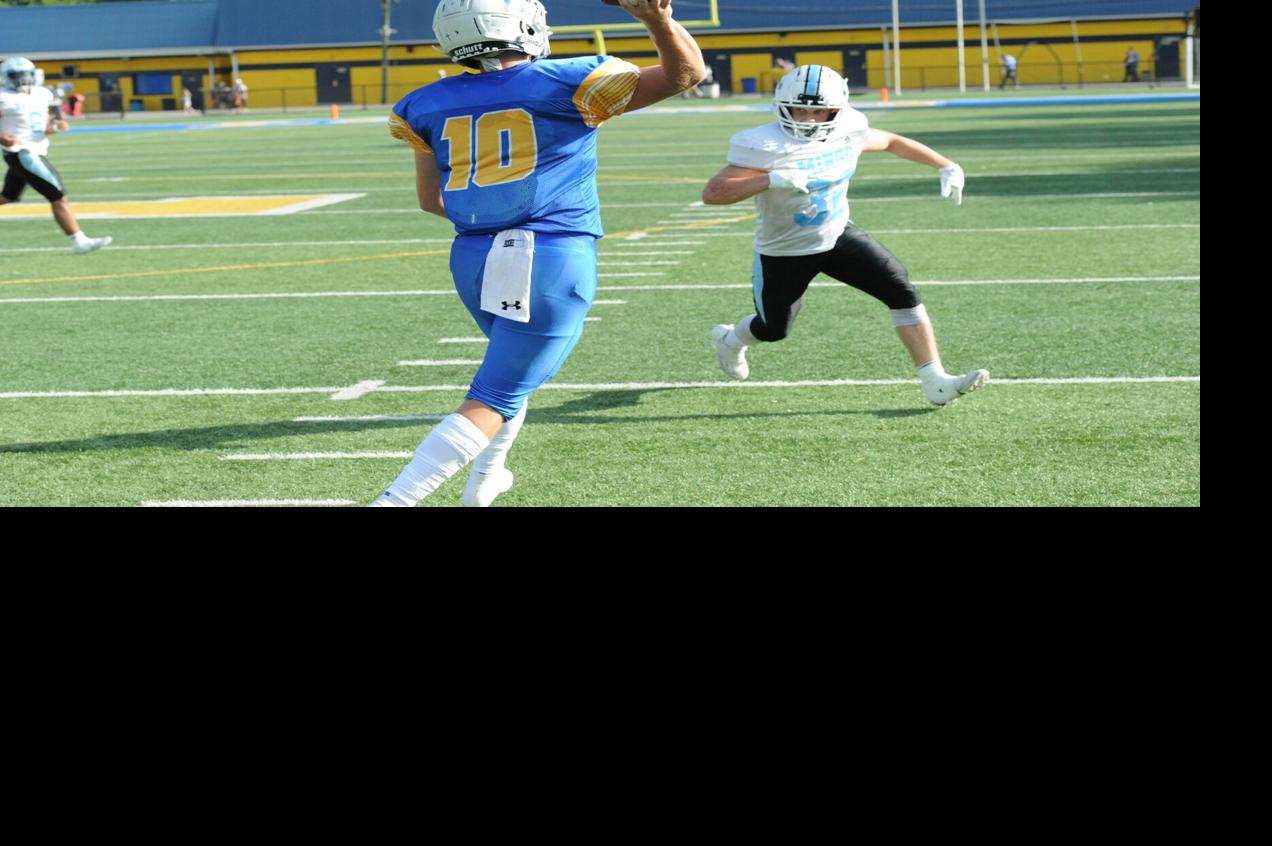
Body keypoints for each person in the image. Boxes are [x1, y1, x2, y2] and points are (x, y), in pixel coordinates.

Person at [372, 0, 705, 507]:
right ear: (524, 27)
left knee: (509, 375)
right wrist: (657, 20)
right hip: (547, 256)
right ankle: (394, 501)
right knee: (495, 394)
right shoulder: (568, 80)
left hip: (472, 257)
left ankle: (486, 478)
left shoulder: (421, 103)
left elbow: (431, 201)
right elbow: (687, 75)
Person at [703, 65, 987, 408]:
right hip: (784, 250)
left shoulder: (848, 129)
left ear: (836, 110)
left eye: (818, 110)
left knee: (901, 290)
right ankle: (730, 340)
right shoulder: (765, 145)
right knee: (774, 329)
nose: (808, 118)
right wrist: (771, 179)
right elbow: (714, 193)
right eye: (798, 109)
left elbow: (892, 142)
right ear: (782, 105)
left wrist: (946, 164)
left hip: (837, 234)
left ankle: (935, 381)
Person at [0, 57, 111, 255]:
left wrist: (55, 126)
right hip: (22, 153)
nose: (22, 79)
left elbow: (42, 125)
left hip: (34, 149)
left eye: (26, 74)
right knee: (58, 196)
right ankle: (79, 240)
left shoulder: (41, 94)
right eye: (16, 75)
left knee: (7, 197)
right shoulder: (3, 97)